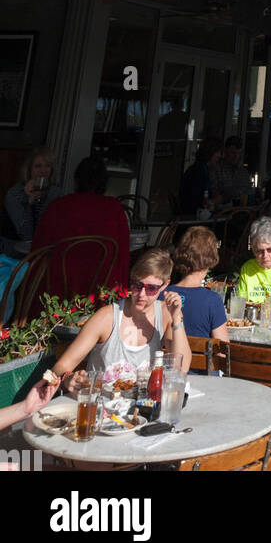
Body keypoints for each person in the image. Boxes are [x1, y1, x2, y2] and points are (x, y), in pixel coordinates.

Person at [51, 248, 191, 390]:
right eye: (137, 285)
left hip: (141, 406)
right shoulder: (107, 318)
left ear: (164, 285)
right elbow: (59, 367)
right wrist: (68, 378)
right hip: (101, 404)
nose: (141, 294)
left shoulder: (166, 314)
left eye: (151, 288)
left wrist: (176, 318)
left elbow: (181, 369)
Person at [31, 155, 129, 296]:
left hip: (56, 292)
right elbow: (122, 255)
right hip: (100, 291)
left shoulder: (58, 206)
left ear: (76, 180)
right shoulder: (114, 208)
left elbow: (38, 249)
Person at [166, 225, 229, 345]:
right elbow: (222, 351)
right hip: (201, 363)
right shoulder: (213, 301)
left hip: (170, 362)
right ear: (211, 260)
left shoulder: (163, 295)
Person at [2, 147, 63, 241]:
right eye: (38, 166)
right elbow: (26, 235)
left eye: (48, 165)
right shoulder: (14, 194)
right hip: (14, 248)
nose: (43, 170)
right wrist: (29, 201)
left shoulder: (54, 192)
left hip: (43, 248)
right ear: (29, 169)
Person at [179, 138, 223, 215]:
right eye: (217, 152)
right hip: (192, 217)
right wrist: (214, 201)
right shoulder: (198, 171)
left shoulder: (201, 169)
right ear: (209, 152)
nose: (219, 155)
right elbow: (195, 200)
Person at [210, 137, 253, 208]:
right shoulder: (216, 169)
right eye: (233, 153)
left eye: (239, 153)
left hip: (241, 213)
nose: (236, 156)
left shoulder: (243, 172)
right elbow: (212, 193)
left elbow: (249, 193)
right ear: (225, 151)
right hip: (219, 213)